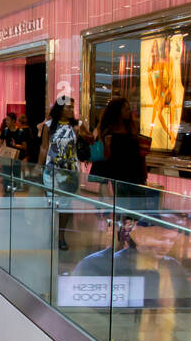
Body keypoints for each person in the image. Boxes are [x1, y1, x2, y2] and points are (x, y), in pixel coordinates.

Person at [87, 96, 148, 208]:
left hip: (134, 171)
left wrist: (144, 170)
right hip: (119, 173)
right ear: (118, 112)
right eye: (126, 109)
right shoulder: (109, 131)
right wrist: (107, 145)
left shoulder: (131, 127)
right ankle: (122, 222)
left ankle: (128, 222)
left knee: (136, 204)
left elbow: (138, 153)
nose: (129, 112)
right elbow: (106, 156)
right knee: (122, 204)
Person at [40, 100, 79, 249]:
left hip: (69, 171)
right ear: (60, 108)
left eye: (72, 107)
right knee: (52, 203)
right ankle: (51, 233)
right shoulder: (49, 126)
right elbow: (44, 147)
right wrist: (38, 166)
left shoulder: (76, 126)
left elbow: (84, 142)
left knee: (65, 205)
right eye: (68, 107)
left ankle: (61, 235)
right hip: (52, 170)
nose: (71, 110)